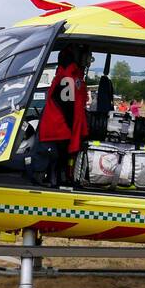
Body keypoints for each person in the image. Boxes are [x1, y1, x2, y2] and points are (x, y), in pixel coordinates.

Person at [37, 45, 91, 187]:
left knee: (62, 159)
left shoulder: (71, 76)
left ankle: (60, 179)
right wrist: (73, 130)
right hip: (61, 129)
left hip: (64, 127)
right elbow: (67, 107)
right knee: (60, 160)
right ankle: (57, 181)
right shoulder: (67, 78)